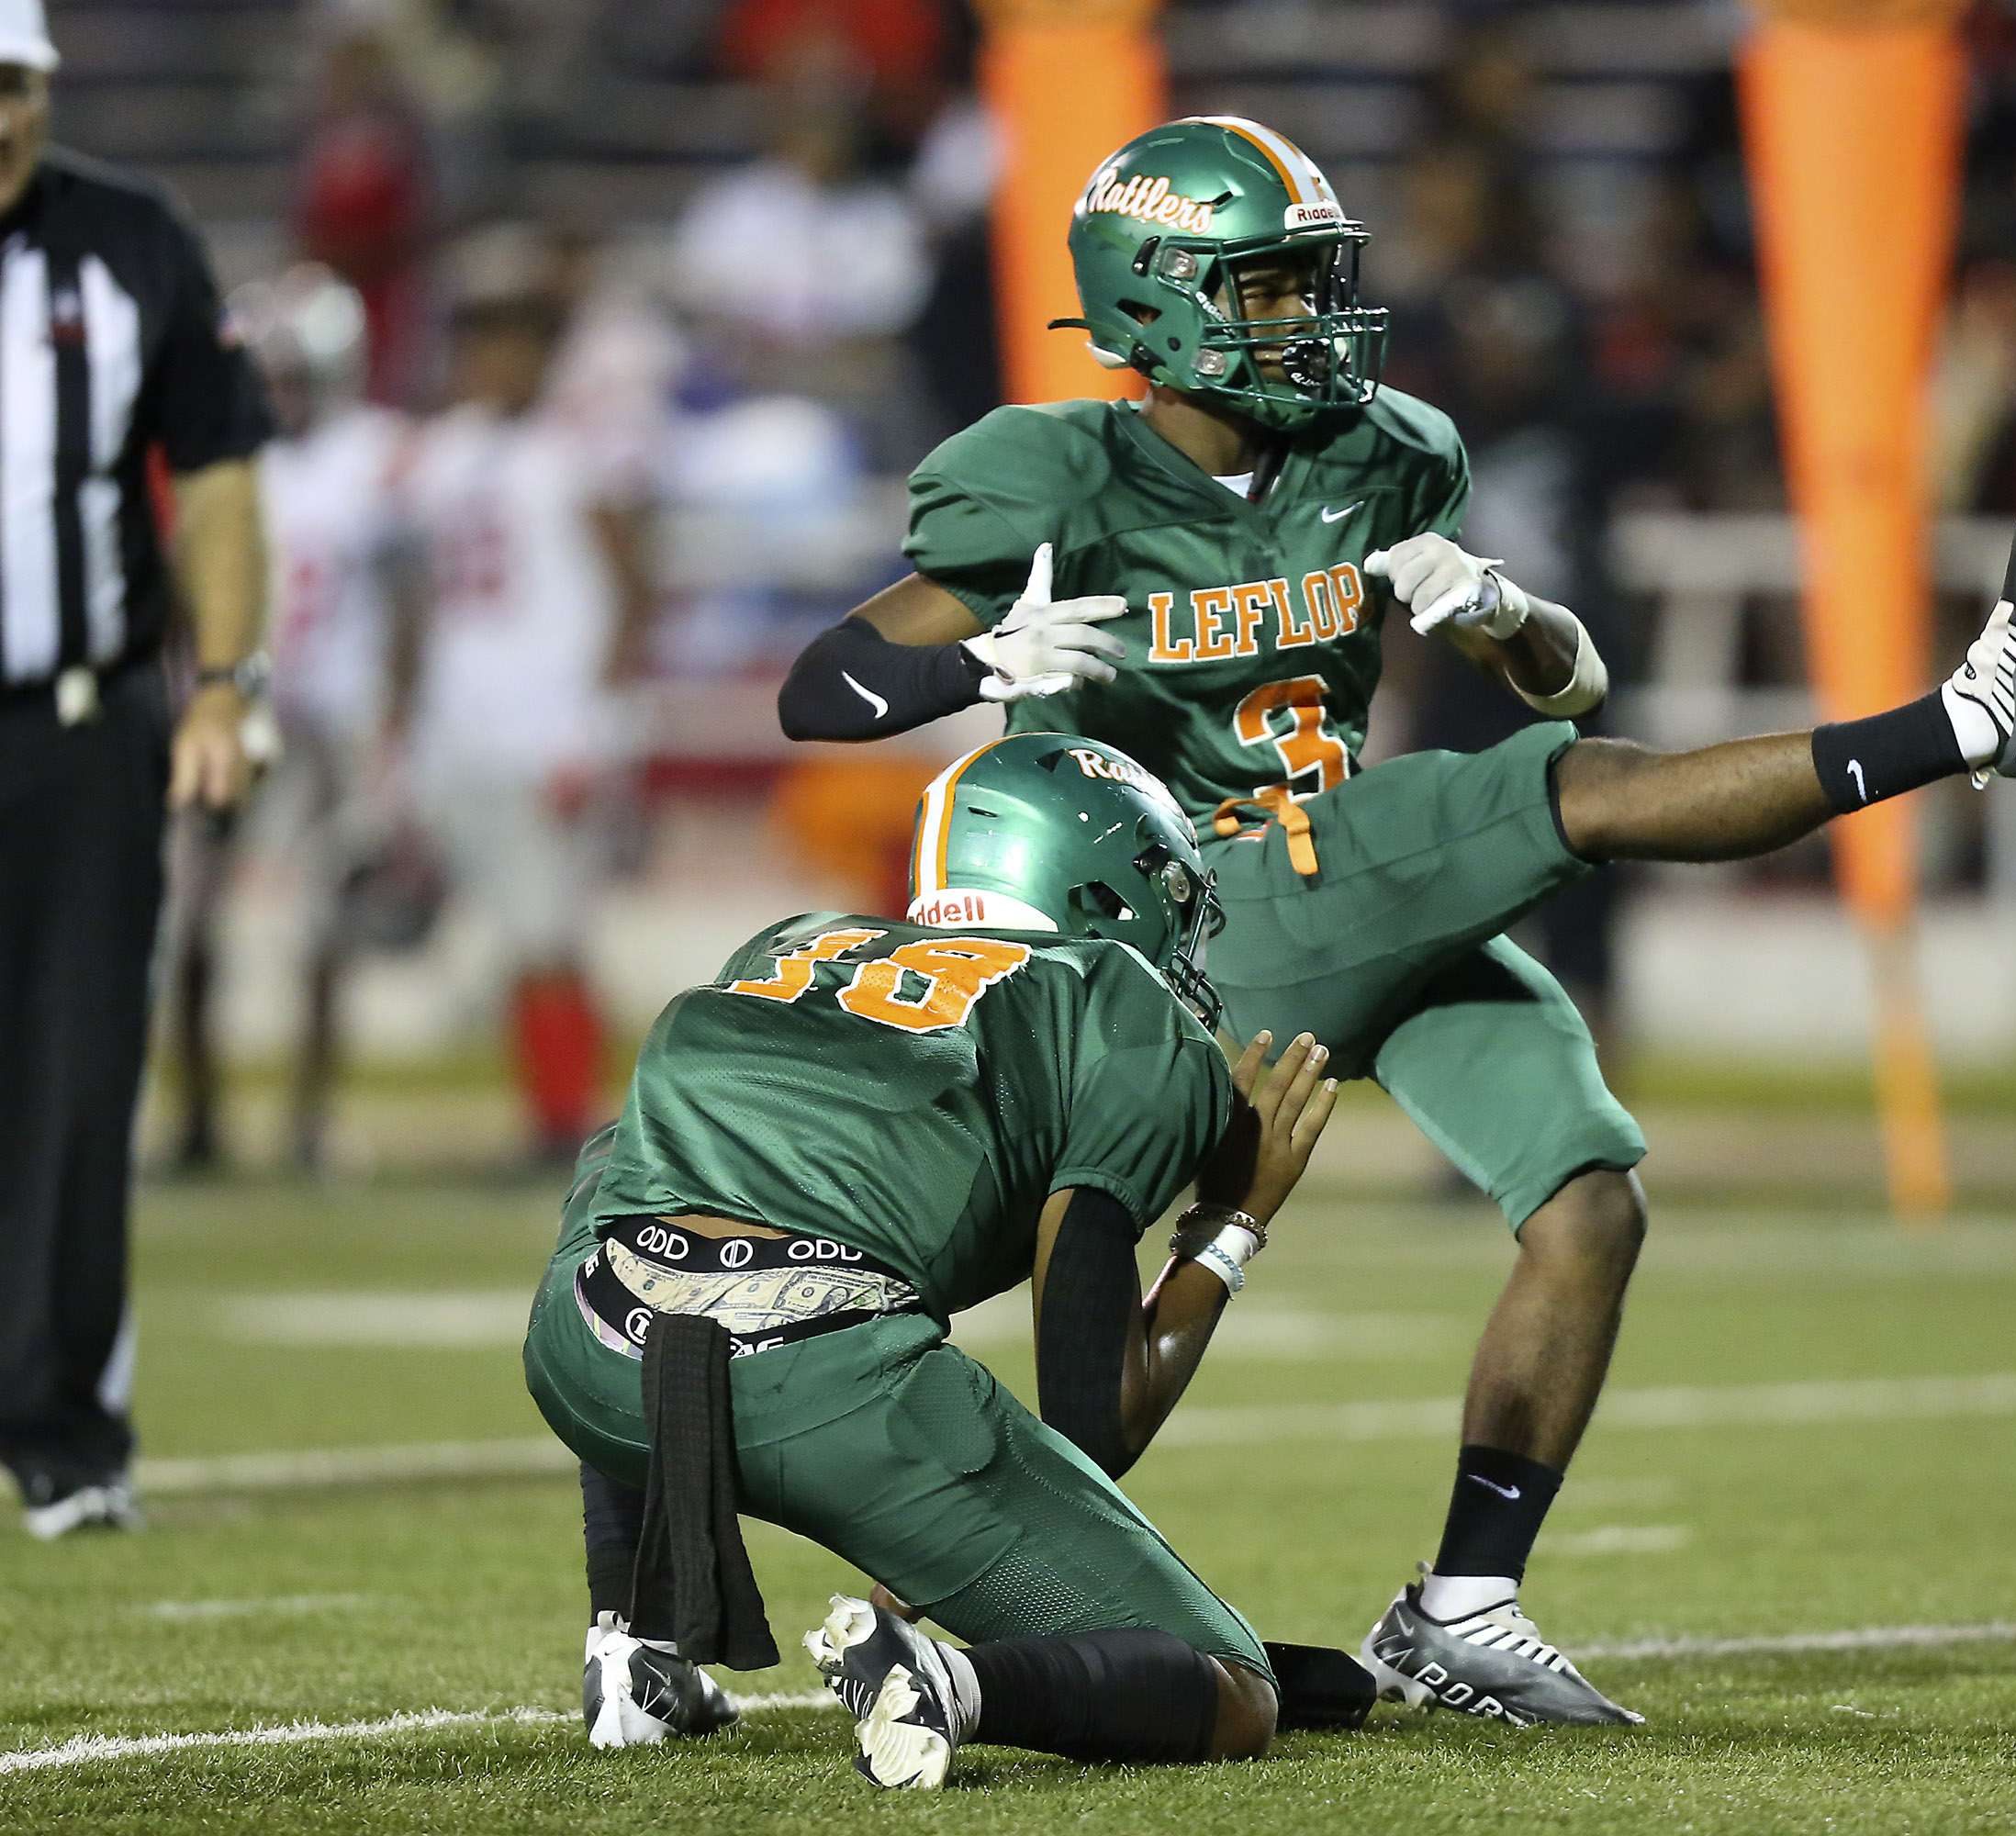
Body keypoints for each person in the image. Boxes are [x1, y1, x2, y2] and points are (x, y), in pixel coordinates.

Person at [776, 115, 2016, 1722]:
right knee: (1563, 795)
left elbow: (1573, 685)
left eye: (1314, 283)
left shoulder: (1379, 453)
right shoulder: (1055, 478)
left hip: (1348, 882)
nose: (1307, 321)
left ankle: (1462, 1603)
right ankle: (1963, 723)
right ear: (1154, 303)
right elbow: (817, 687)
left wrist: (1512, 617)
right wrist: (971, 667)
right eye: (1266, 290)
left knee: (1589, 1200)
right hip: (1186, 922)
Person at [525, 732, 1364, 1786]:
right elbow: (1090, 1414)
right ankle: (945, 1681)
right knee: (1237, 1687)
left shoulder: (797, 940)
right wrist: (1228, 1223)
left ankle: (630, 1642)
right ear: (1098, 887)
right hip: (818, 1383)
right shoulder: (1125, 1015)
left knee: (634, 1152)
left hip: (589, 1347)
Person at [0, 0, 275, 1539]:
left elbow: (222, 471)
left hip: (79, 716)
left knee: (77, 1071)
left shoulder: (128, 238)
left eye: (17, 84)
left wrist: (223, 685)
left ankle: (62, 1432)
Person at [397, 231, 655, 1163]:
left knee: (551, 925)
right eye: (480, 338)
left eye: (514, 338)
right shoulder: (442, 452)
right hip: (466, 720)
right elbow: (420, 599)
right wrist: (410, 724)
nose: (494, 358)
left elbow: (631, 591)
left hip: (549, 722)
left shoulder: (577, 448)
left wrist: (601, 722)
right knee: (516, 929)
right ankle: (550, 1109)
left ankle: (565, 1118)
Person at [167, 264, 409, 1173]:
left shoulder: (374, 460)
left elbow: (407, 599)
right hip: (235, 712)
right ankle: (198, 1122)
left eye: (296, 377)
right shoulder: (225, 460)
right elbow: (179, 599)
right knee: (193, 920)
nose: (280, 396)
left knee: (321, 928)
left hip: (328, 717)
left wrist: (392, 724)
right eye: (268, 377)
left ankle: (308, 1121)